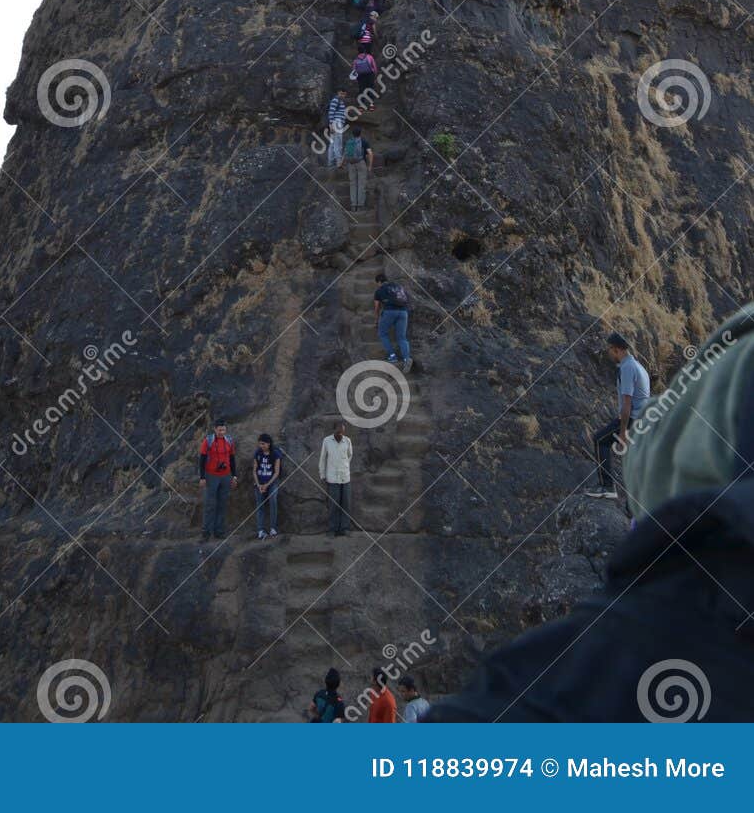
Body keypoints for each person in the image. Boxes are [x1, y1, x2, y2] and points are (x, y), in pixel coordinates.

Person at [425, 306, 754, 722]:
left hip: (642, 427)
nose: (611, 357)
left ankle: (605, 485)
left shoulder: (611, 658)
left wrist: (622, 432)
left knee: (602, 445)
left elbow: (631, 404)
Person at [586, 332, 651, 500]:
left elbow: (627, 402)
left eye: (609, 349)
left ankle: (607, 486)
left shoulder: (627, 368)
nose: (608, 353)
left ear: (616, 349)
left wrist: (623, 433)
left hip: (632, 418)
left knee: (600, 440)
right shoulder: (637, 365)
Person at [198, 420, 237, 538]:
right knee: (210, 504)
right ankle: (206, 532)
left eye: (223, 430)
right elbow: (202, 459)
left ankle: (219, 532)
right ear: (215, 429)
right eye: (219, 430)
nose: (221, 432)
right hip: (211, 476)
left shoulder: (229, 441)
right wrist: (202, 477)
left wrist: (234, 476)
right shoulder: (208, 441)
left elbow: (232, 459)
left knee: (222, 504)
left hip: (226, 476)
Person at [319, 421, 353, 536]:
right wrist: (322, 474)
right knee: (334, 505)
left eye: (342, 431)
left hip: (345, 477)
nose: (340, 433)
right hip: (332, 478)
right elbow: (323, 458)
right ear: (334, 430)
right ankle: (332, 529)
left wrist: (344, 466)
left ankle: (344, 528)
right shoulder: (327, 441)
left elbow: (349, 455)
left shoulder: (347, 441)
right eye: (338, 431)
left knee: (346, 504)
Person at [374, 269, 411, 367]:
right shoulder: (398, 287)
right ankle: (406, 358)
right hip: (403, 312)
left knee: (382, 333)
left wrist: (377, 320)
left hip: (389, 312)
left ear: (379, 282)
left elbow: (377, 307)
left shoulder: (379, 290)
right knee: (402, 337)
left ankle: (392, 356)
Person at [253, 433, 282, 539]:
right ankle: (260, 530)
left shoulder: (275, 454)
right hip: (259, 482)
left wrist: (267, 485)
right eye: (260, 444)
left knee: (273, 501)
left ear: (269, 444)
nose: (261, 446)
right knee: (260, 505)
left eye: (263, 444)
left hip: (271, 483)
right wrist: (258, 484)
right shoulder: (257, 453)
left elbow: (277, 472)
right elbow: (255, 470)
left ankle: (273, 528)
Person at [343, 127, 373, 209]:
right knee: (361, 184)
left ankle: (353, 205)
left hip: (351, 164)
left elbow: (345, 154)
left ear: (352, 134)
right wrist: (369, 166)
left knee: (352, 184)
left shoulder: (349, 142)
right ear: (360, 133)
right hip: (360, 163)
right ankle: (360, 205)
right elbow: (370, 153)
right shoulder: (363, 141)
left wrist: (342, 164)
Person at [325, 89, 348, 168]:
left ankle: (330, 163)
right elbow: (331, 112)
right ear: (338, 93)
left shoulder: (340, 101)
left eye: (344, 94)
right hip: (337, 123)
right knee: (338, 143)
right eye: (341, 93)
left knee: (332, 144)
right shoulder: (335, 100)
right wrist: (331, 124)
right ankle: (339, 163)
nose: (342, 95)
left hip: (336, 123)